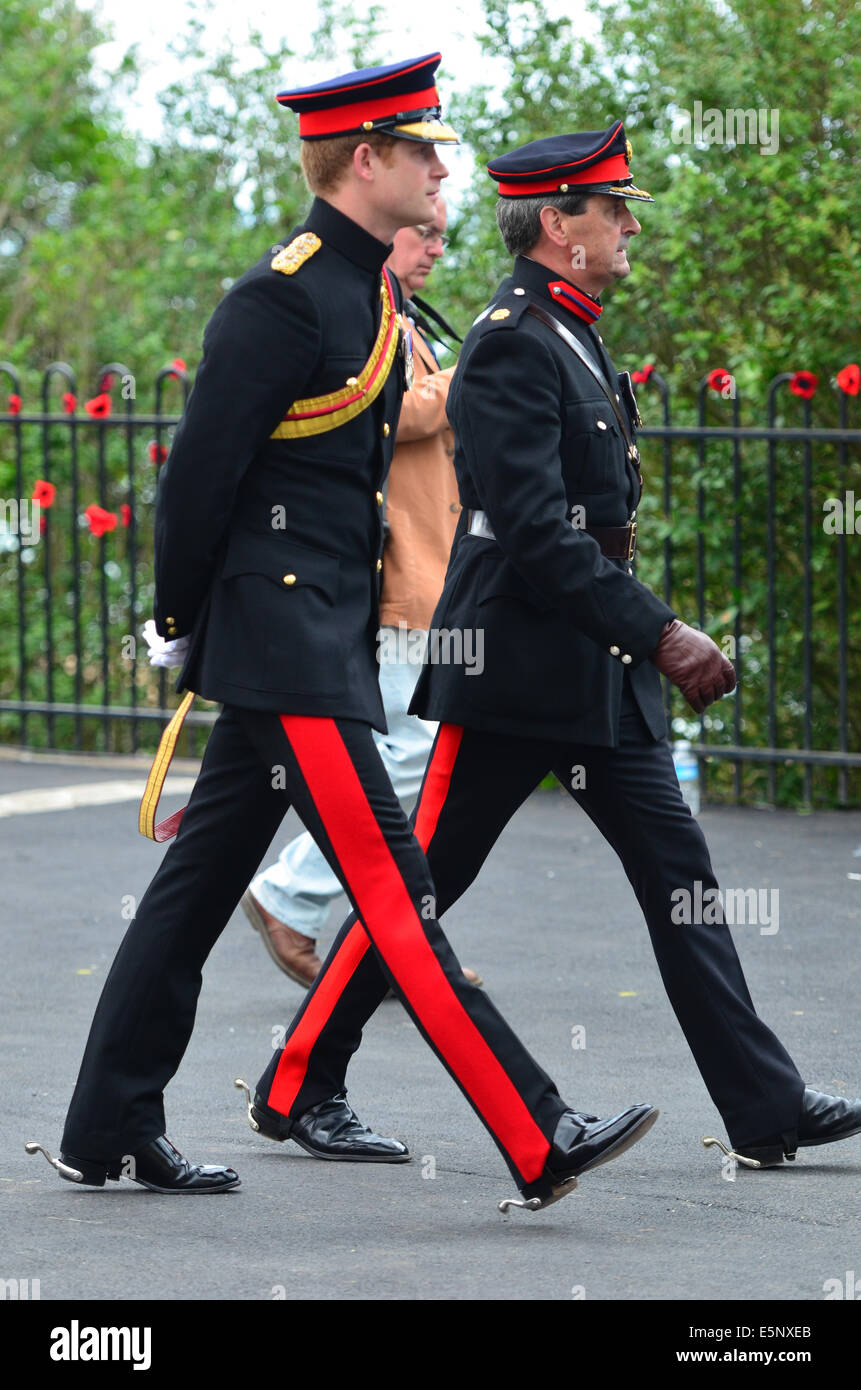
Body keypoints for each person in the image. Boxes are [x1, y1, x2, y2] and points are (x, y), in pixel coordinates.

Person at [26, 62, 659, 1212]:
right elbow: (198, 478)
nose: (442, 169)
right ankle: (537, 1129)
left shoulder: (365, 294)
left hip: (314, 638)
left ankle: (107, 1126)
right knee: (394, 890)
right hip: (282, 644)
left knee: (194, 890)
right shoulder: (284, 297)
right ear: (365, 161)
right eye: (421, 152)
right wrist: (178, 621)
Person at [241, 122, 861, 1188]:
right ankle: (299, 1080)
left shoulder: (573, 327)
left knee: (685, 881)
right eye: (612, 208)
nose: (626, 225)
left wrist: (636, 635)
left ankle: (764, 1105)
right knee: (417, 892)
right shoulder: (511, 338)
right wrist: (661, 630)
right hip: (516, 668)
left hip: (595, 666)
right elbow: (535, 529)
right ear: (560, 223)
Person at [241, 197, 481, 989]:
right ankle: (298, 901)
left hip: (430, 572)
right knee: (405, 758)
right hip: (398, 577)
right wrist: (461, 383)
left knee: (410, 758)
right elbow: (382, 415)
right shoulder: (371, 318)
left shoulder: (405, 319)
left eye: (444, 236)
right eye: (425, 234)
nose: (436, 249)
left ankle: (375, 941)